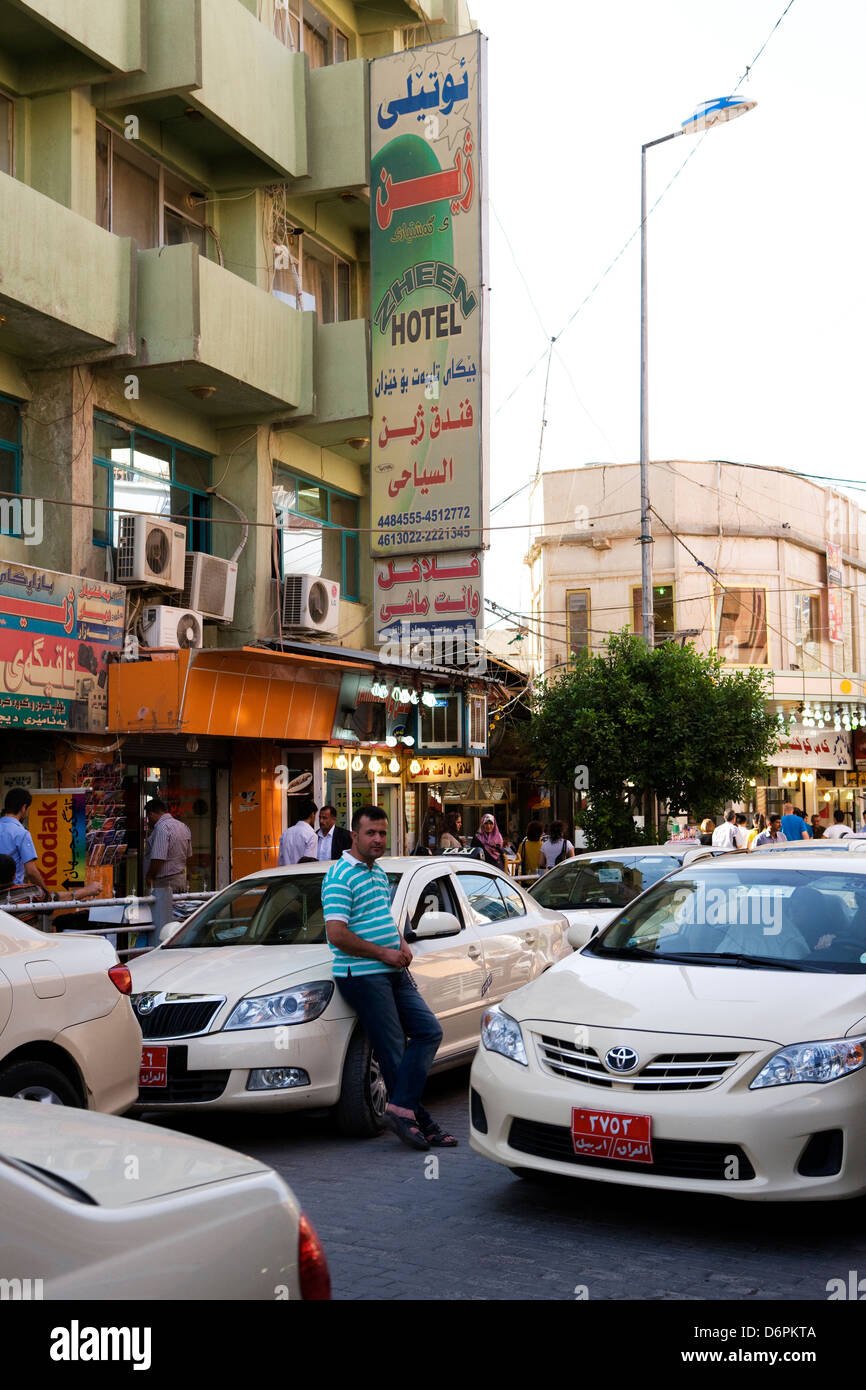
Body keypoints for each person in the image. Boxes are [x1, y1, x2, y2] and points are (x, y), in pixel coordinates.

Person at [321, 804, 456, 1151]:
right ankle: (419, 1121)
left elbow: (383, 916)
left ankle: (401, 1110)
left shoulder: (378, 873)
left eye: (382, 833)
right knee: (393, 1050)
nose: (378, 839)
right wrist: (384, 953)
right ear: (354, 835)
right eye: (371, 833)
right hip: (363, 975)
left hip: (394, 968)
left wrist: (399, 943)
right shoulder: (339, 877)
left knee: (429, 1031)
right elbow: (336, 933)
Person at [144, 798, 192, 932]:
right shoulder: (183, 826)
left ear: (152, 814)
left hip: (165, 882)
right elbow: (188, 855)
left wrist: (149, 876)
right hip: (179, 878)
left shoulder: (162, 828)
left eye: (148, 817)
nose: (149, 821)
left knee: (163, 922)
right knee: (178, 919)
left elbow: (158, 857)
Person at [0, 788, 49, 896]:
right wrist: (46, 893)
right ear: (23, 808)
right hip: (12, 895)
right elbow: (31, 872)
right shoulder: (21, 833)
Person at [278, 798, 318, 865]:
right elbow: (310, 864)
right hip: (302, 874)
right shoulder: (311, 835)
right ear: (312, 814)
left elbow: (281, 861)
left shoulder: (285, 833)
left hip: (286, 873)